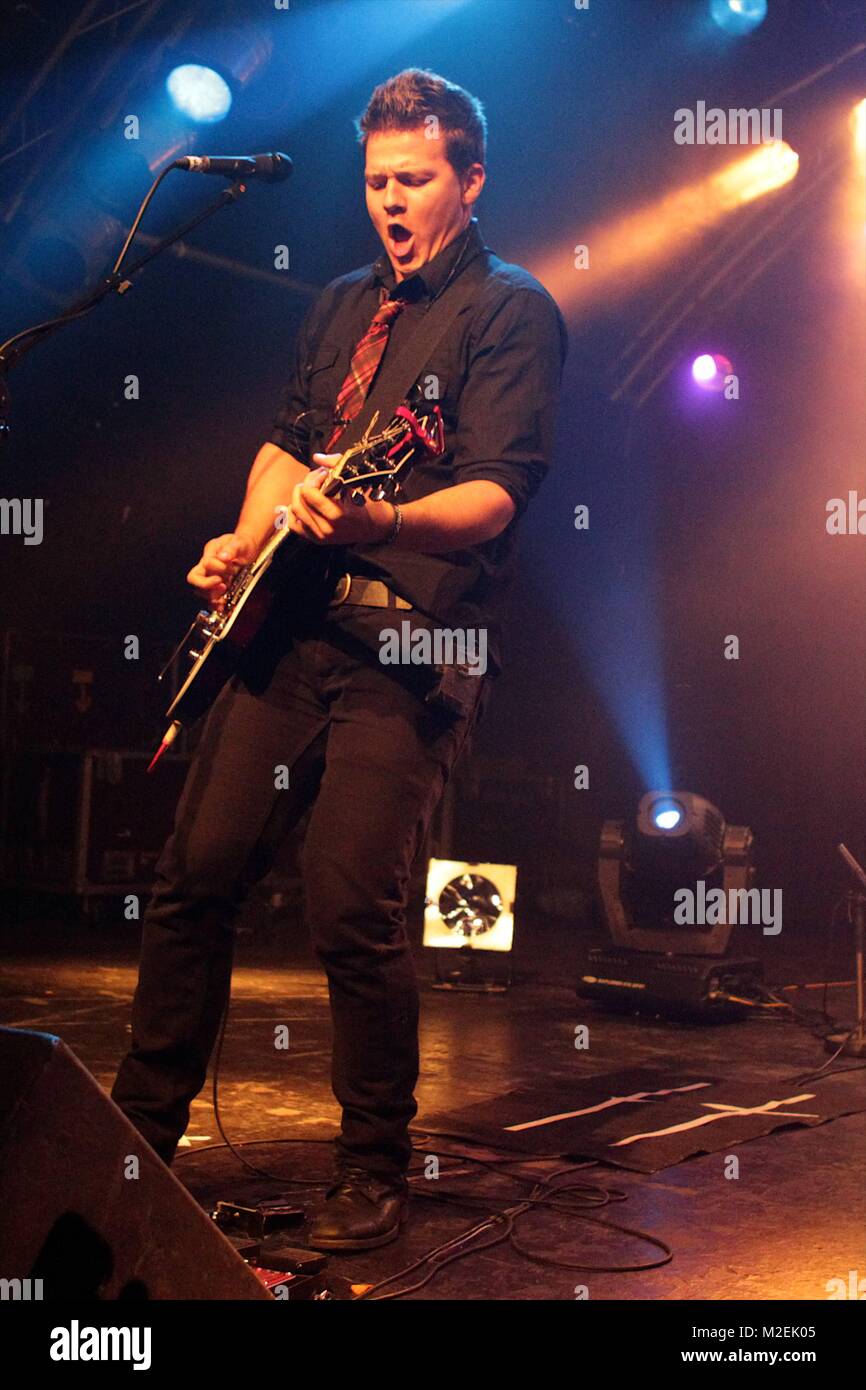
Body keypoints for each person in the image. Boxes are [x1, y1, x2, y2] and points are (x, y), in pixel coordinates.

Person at [111, 68, 567, 1252]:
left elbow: (494, 496)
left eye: (412, 181)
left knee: (348, 900)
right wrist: (240, 535)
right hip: (293, 624)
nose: (389, 201)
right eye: (374, 181)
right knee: (194, 872)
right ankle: (133, 1139)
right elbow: (288, 441)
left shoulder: (508, 312)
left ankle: (372, 1165)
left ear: (469, 180)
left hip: (412, 644)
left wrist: (381, 523)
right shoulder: (340, 305)